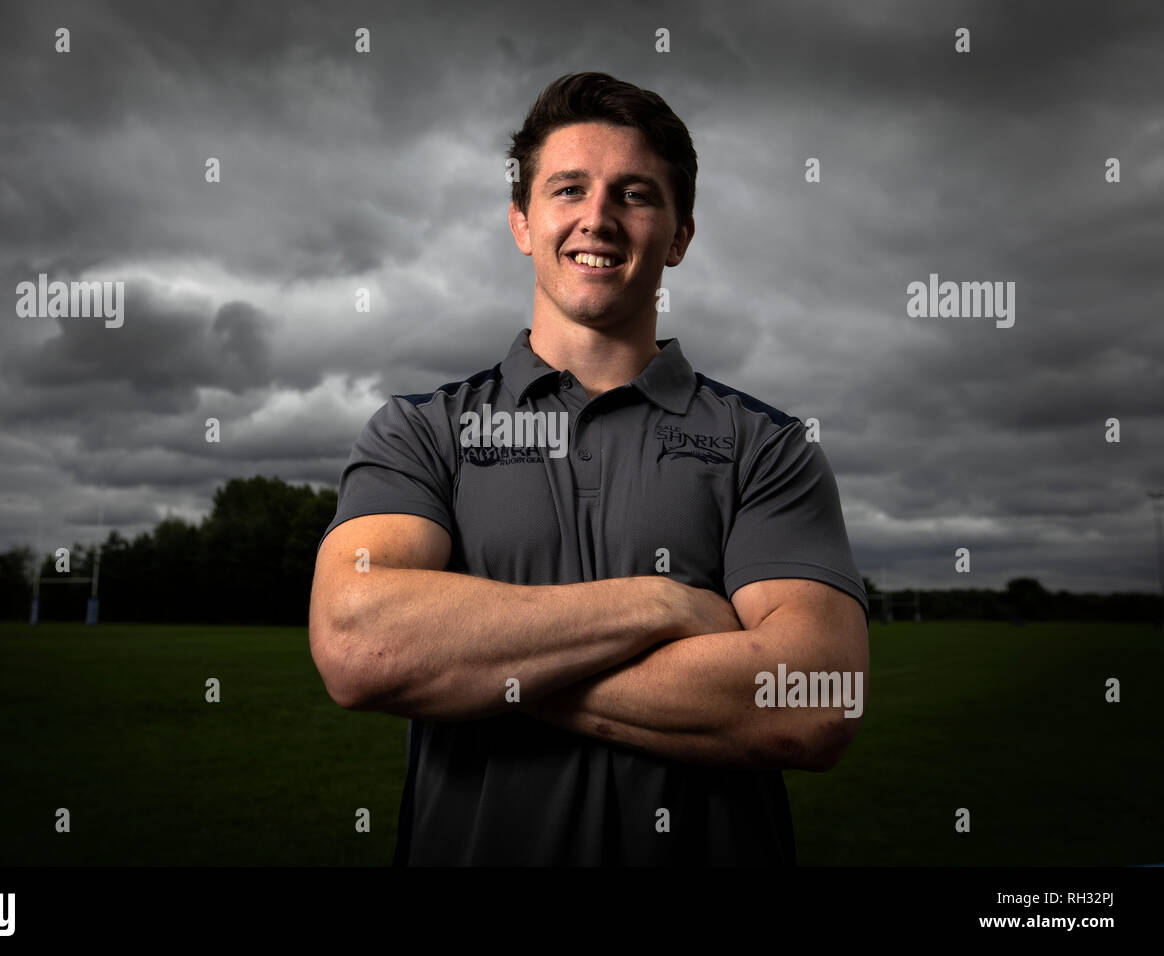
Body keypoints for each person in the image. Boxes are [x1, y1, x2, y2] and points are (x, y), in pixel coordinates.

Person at [309, 72, 869, 865]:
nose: (597, 218)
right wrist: (662, 605)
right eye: (568, 188)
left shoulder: (768, 447)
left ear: (678, 236)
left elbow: (816, 701)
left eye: (634, 194)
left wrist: (481, 668)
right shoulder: (421, 431)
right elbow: (359, 644)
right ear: (522, 223)